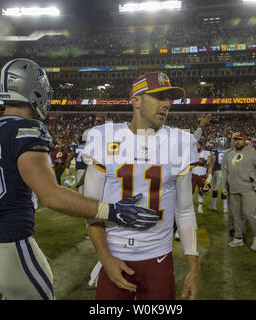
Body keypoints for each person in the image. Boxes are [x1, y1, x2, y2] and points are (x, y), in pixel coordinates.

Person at [0, 58, 159, 300]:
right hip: (8, 251)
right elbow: (51, 196)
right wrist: (111, 210)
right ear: (33, 89)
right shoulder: (27, 129)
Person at [83, 71, 200, 300]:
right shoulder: (104, 137)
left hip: (159, 256)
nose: (167, 104)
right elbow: (90, 208)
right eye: (159, 96)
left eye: (169, 98)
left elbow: (185, 211)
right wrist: (105, 258)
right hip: (114, 254)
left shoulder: (181, 142)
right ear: (135, 100)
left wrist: (194, 269)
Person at [222, 132, 256, 251]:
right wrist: (224, 186)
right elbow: (225, 171)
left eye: (240, 139)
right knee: (236, 215)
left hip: (248, 188)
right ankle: (238, 237)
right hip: (233, 189)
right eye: (235, 139)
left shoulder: (252, 153)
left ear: (244, 140)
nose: (238, 141)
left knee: (249, 214)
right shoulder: (228, 154)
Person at [208, 137, 229, 212]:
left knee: (215, 189)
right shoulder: (228, 151)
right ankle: (225, 208)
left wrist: (210, 173)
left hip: (218, 171)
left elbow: (212, 162)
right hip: (226, 172)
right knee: (225, 188)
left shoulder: (215, 151)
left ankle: (214, 205)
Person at [191, 141, 212, 213]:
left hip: (202, 175)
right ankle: (191, 207)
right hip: (193, 174)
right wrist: (201, 161)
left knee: (201, 192)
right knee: (191, 192)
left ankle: (200, 207)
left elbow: (208, 163)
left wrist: (199, 162)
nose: (196, 147)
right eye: (195, 146)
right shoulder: (193, 153)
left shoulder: (207, 153)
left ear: (201, 145)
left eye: (198, 145)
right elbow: (190, 163)